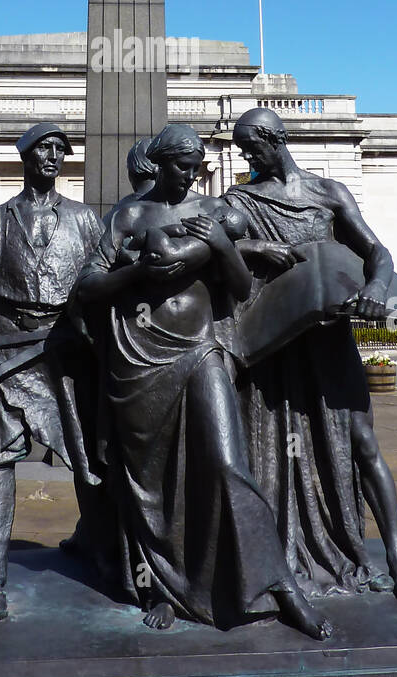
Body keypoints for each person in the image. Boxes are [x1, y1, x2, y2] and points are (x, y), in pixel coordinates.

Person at [75, 123, 333, 638]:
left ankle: (280, 586)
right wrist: (138, 274)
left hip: (199, 349)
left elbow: (238, 291)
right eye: (181, 166)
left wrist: (222, 245)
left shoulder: (212, 213)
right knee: (152, 483)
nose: (191, 175)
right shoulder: (129, 215)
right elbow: (87, 287)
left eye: (197, 167)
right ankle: (167, 589)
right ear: (161, 163)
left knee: (228, 461)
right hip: (138, 359)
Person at [226, 108, 397, 603]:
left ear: (277, 140)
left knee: (361, 441)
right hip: (275, 342)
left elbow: (377, 252)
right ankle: (275, 554)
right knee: (268, 451)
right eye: (240, 146)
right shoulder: (241, 199)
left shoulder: (329, 193)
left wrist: (377, 286)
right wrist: (253, 248)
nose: (245, 154)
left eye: (251, 144)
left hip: (329, 337)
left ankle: (394, 557)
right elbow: (214, 247)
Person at [0, 122, 111, 622]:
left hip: (68, 351)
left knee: (89, 456)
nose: (54, 157)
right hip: (6, 351)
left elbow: (102, 286)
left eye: (61, 150)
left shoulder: (84, 220)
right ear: (26, 157)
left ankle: (97, 545)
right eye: (45, 149)